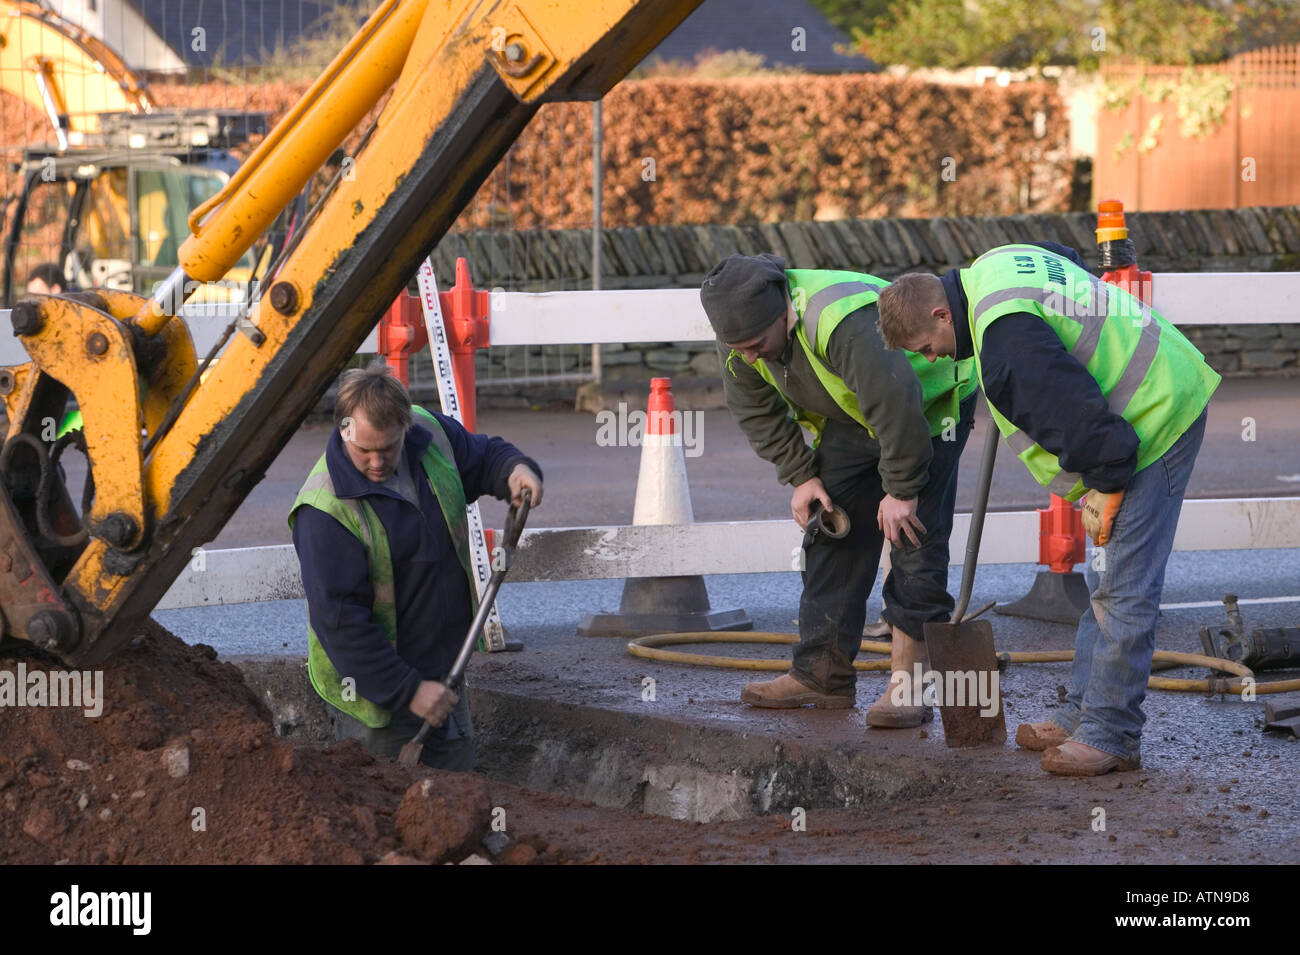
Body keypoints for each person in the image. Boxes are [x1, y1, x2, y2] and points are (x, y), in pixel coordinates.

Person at [877, 243, 1219, 776]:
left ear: (944, 314)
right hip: (1150, 392)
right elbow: (1061, 254)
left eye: (928, 345)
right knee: (1105, 577)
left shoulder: (1006, 347)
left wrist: (1106, 482)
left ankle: (1110, 735)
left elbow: (1077, 416)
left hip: (1154, 419)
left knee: (1124, 588)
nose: (932, 359)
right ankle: (1082, 712)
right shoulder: (993, 264)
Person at [700, 253, 978, 725]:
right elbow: (755, 409)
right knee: (832, 529)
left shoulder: (842, 321)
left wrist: (902, 489)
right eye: (737, 347)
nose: (746, 356)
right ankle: (821, 675)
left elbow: (895, 403)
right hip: (853, 412)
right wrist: (801, 475)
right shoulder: (740, 339)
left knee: (913, 537)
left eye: (754, 344)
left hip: (927, 407)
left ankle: (907, 688)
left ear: (781, 313)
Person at [288, 364, 543, 771]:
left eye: (387, 449)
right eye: (363, 451)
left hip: (445, 674)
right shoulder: (325, 512)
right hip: (375, 701)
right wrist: (408, 691)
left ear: (404, 427)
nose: (376, 462)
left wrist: (515, 470)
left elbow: (484, 456)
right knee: (383, 813)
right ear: (343, 430)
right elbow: (341, 625)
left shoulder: (431, 435)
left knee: (458, 802)